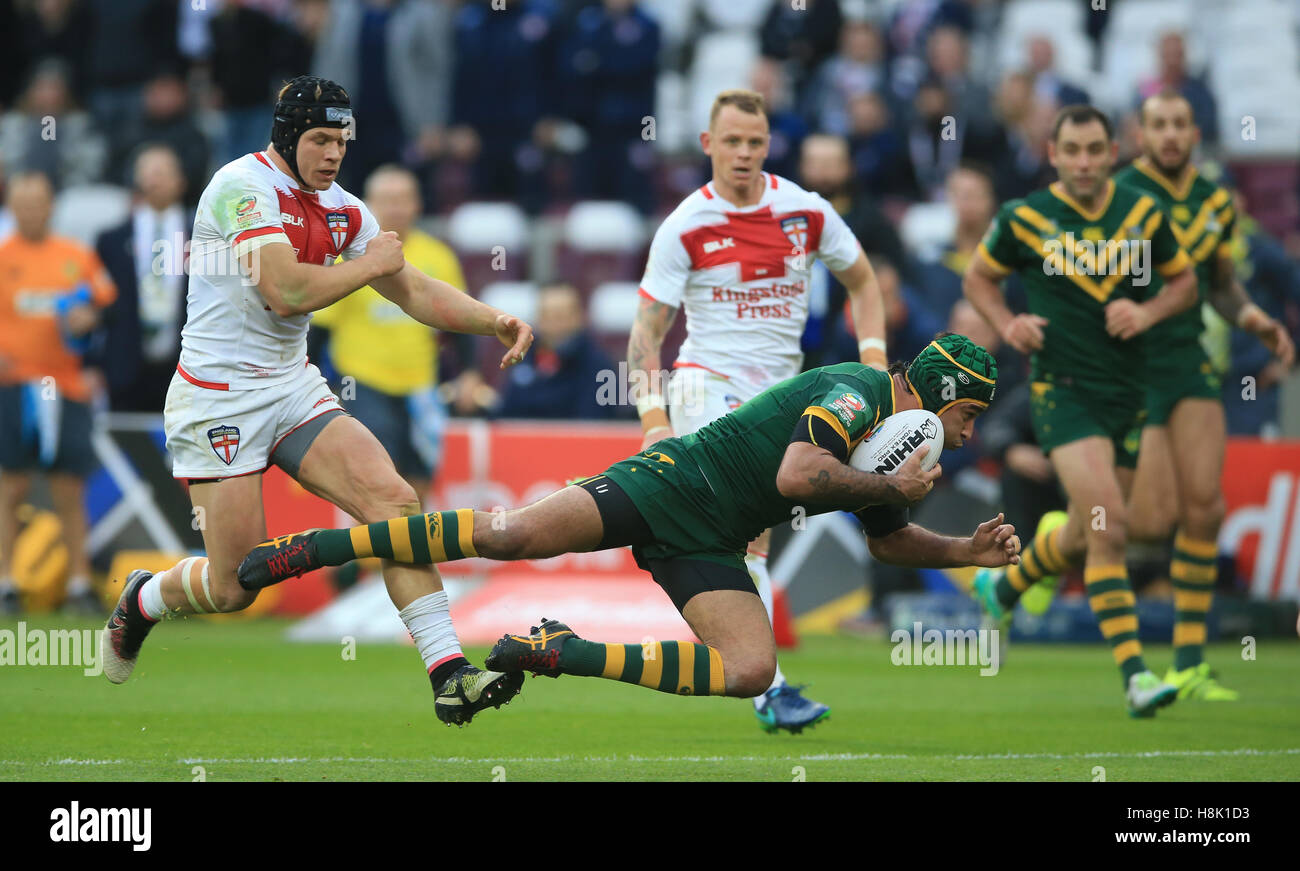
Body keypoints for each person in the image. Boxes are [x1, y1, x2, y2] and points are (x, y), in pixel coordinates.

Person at [238, 337, 1021, 710]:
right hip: (675, 481)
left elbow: (886, 538)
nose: (969, 433)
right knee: (509, 535)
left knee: (750, 669)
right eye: (968, 415)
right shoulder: (860, 391)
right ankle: (311, 547)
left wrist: (966, 550)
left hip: (711, 539)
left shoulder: (898, 449)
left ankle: (557, 649)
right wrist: (870, 486)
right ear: (947, 393)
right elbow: (799, 475)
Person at [99, 77, 536, 729]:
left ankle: (449, 672)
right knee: (233, 585)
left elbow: (411, 288)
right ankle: (144, 600)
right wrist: (371, 265)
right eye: (320, 139)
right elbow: (285, 291)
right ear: (286, 135)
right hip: (218, 397)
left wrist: (491, 319)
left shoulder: (343, 208)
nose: (333, 154)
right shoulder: (240, 188)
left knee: (395, 505)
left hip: (291, 387)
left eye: (341, 140)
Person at [624, 89, 888, 733]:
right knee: (749, 537)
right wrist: (655, 426)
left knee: (753, 545)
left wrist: (876, 364)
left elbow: (863, 281)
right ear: (708, 144)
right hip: (703, 386)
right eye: (732, 141)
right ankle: (770, 689)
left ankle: (752, 672)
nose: (743, 153)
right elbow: (645, 336)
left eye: (755, 142)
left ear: (768, 146)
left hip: (781, 398)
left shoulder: (806, 211)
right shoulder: (686, 224)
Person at [963, 104, 1199, 717]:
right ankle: (1136, 677)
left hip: (1128, 392)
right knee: (1110, 527)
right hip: (1061, 390)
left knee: (1083, 531)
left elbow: (1185, 283)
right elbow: (978, 280)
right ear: (1054, 154)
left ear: (1113, 151)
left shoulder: (1143, 214)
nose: (1086, 161)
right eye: (1074, 150)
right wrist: (1008, 323)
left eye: (1096, 149)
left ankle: (1004, 584)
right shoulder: (1024, 217)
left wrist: (1147, 312)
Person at [1106, 92, 1291, 699]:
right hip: (1131, 367)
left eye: (1179, 123)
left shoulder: (1215, 200)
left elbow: (1220, 287)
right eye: (1157, 124)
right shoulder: (1117, 195)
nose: (1168, 134)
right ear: (1141, 133)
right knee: (1147, 523)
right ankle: (1044, 552)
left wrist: (1257, 320)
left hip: (1189, 363)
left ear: (1193, 131)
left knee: (1206, 510)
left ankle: (1187, 662)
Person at [311, 164, 465, 503]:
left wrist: (469, 374)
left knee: (421, 478)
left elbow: (457, 322)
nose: (395, 207)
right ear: (367, 204)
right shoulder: (347, 256)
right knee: (379, 479)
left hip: (421, 388)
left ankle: (406, 554)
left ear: (417, 205)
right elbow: (318, 329)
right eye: (387, 200)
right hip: (363, 384)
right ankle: (373, 556)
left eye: (403, 199)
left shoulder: (439, 256)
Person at [0, 171, 117, 616]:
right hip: (13, 389)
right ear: (12, 208)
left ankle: (78, 584)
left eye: (39, 202)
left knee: (69, 488)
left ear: (52, 207)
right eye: (22, 202)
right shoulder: (2, 256)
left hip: (66, 388)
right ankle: (8, 582)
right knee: (11, 487)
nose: (31, 210)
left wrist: (88, 320)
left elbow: (108, 307)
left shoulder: (76, 256)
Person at [91, 144, 191, 412]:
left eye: (161, 172)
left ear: (180, 181)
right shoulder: (111, 240)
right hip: (126, 369)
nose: (153, 179)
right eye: (147, 172)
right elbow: (99, 303)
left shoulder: (202, 236)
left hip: (186, 370)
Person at [496, 282, 617, 421]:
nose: (553, 324)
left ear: (579, 317)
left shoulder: (599, 368)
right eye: (546, 316)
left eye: (560, 316)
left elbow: (593, 425)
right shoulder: (522, 358)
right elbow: (505, 418)